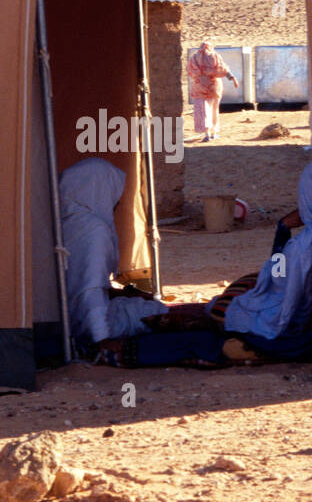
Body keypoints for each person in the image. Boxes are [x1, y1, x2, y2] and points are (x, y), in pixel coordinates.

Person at [59, 157, 166, 350]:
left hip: (59, 317)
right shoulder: (93, 231)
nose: (115, 203)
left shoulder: (64, 221)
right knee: (155, 310)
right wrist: (103, 339)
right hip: (85, 323)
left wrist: (121, 293)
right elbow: (91, 291)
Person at [219, 162, 312, 361]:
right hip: (297, 310)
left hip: (287, 318)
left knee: (237, 314)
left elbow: (278, 279)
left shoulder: (301, 249)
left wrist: (282, 230)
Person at [186, 42, 239, 141]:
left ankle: (207, 133)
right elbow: (223, 69)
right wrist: (232, 78)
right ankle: (214, 133)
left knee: (203, 110)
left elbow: (189, 70)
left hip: (199, 87)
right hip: (213, 87)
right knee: (214, 109)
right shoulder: (214, 56)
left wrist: (200, 75)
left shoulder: (194, 58)